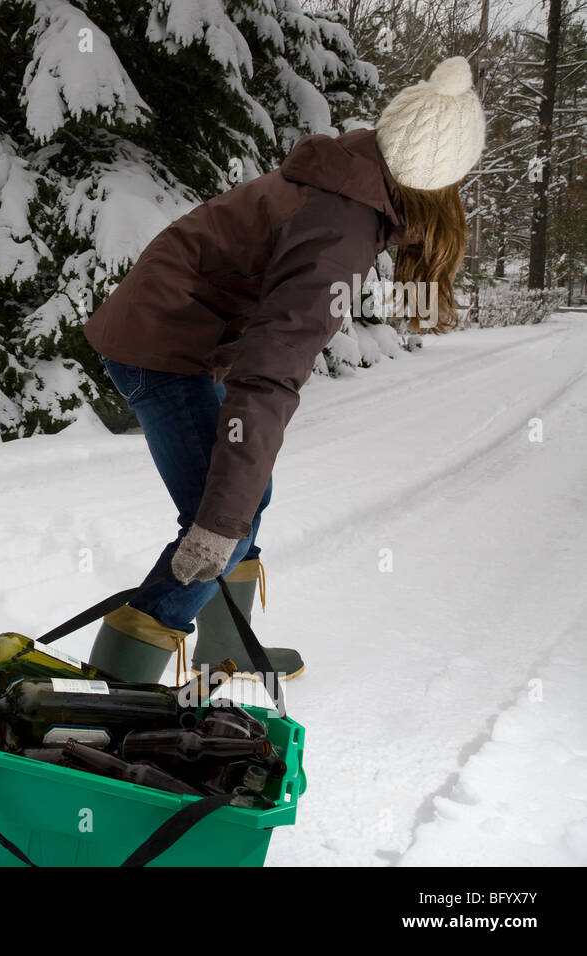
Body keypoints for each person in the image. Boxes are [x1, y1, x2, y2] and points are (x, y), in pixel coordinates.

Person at [83, 57, 485, 685]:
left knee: (244, 499)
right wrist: (221, 524)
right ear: (438, 182)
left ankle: (228, 647)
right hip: (160, 346)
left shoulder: (353, 181)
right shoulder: (342, 228)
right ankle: (110, 688)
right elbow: (269, 375)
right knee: (218, 523)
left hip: (184, 332)